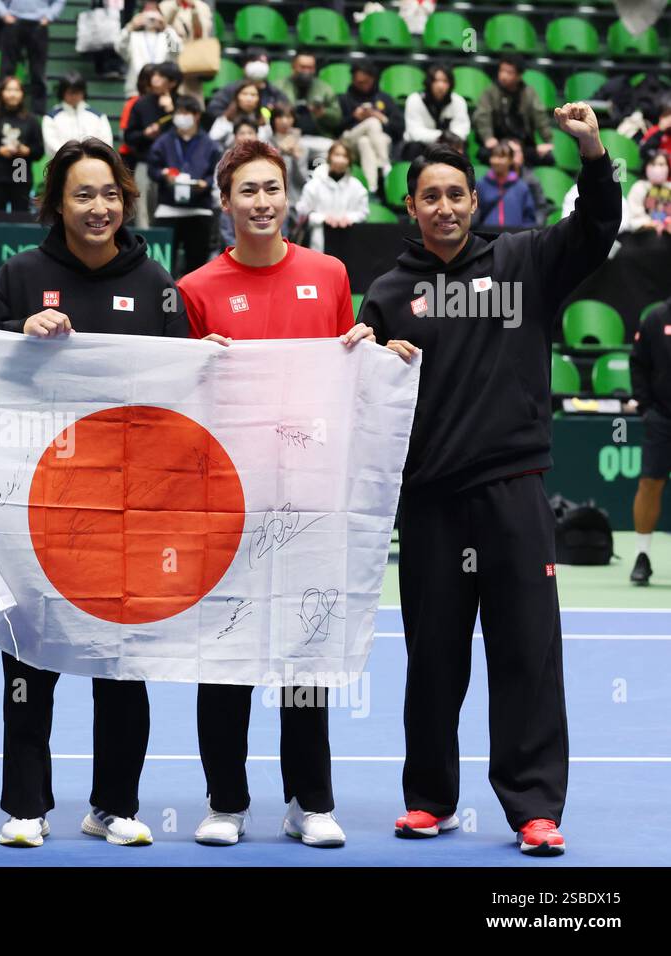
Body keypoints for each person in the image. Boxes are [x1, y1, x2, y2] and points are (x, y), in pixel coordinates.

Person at [360, 104, 621, 856]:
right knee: (433, 659)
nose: (445, 207)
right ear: (409, 206)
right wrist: (357, 350)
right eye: (430, 196)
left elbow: (600, 224)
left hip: (513, 492)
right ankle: (429, 799)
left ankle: (534, 807)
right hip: (432, 503)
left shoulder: (526, 262)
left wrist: (592, 152)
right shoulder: (386, 295)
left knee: (527, 654)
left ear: (476, 202)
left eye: (457, 194)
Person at [0, 137, 186, 848]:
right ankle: (25, 807)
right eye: (82, 195)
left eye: (109, 194)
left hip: (126, 510)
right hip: (37, 507)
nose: (98, 207)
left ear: (126, 200)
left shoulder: (158, 284)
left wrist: (210, 362)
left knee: (121, 666)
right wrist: (16, 330)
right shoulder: (21, 275)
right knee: (30, 663)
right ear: (56, 203)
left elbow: (183, 394)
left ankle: (113, 806)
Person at [178, 137, 370, 849]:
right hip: (229, 501)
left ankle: (309, 800)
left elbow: (345, 370)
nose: (262, 202)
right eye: (247, 191)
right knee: (225, 653)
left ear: (288, 196)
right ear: (224, 202)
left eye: (272, 189)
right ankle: (225, 801)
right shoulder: (196, 290)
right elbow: (181, 403)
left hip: (311, 497)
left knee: (306, 651)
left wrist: (371, 354)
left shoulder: (330, 273)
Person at [147, 94, 218, 273]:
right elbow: (152, 169)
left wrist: (206, 183)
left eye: (187, 112)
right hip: (168, 209)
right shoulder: (163, 141)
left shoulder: (209, 144)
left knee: (197, 266)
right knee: (161, 267)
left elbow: (215, 173)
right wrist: (163, 174)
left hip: (199, 209)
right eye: (179, 112)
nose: (182, 116)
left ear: (196, 116)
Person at [630, 296, 671, 585]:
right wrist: (646, 409)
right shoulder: (657, 317)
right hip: (662, 418)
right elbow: (638, 363)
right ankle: (642, 556)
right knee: (650, 483)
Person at [122, 61, 180, 226]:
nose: (154, 79)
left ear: (172, 82)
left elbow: (186, 134)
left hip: (173, 165)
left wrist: (171, 112)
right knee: (143, 209)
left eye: (161, 76)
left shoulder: (181, 104)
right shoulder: (141, 103)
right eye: (155, 75)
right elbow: (129, 136)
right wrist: (145, 134)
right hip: (144, 162)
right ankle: (144, 244)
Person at [0, 74, 42, 212]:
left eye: (16, 90)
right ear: (1, 93)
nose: (12, 94)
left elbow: (39, 150)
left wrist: (26, 151)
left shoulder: (31, 120)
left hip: (21, 172)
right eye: (9, 90)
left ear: (22, 94)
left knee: (21, 216)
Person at [472, 54, 554, 166]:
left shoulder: (529, 93)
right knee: (484, 154)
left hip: (523, 144)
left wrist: (547, 141)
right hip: (497, 143)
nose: (503, 76)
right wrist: (488, 138)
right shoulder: (490, 92)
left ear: (519, 75)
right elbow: (482, 116)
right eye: (501, 71)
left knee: (548, 158)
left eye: (509, 72)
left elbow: (540, 116)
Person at [338, 58, 401, 196]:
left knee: (365, 142)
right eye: (359, 82)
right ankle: (385, 164)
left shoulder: (385, 99)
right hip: (349, 141)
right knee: (372, 123)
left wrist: (382, 118)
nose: (363, 85)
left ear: (373, 79)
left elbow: (399, 129)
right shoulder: (344, 99)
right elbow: (335, 127)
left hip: (376, 142)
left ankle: (372, 189)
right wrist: (354, 117)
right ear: (353, 79)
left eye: (366, 82)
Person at [295, 138, 368, 252]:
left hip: (347, 237)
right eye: (337, 154)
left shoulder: (357, 187)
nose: (340, 159)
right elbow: (302, 211)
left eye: (344, 156)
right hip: (318, 238)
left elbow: (363, 212)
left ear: (349, 160)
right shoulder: (314, 184)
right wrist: (322, 218)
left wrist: (349, 218)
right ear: (329, 157)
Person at [0, 0, 64, 113]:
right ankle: (1, 110)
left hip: (38, 23)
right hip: (13, 21)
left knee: (38, 72)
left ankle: (38, 113)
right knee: (6, 70)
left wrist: (49, 16)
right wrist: (3, 14)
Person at [272, 51, 341, 170]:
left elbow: (337, 118)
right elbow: (267, 111)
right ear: (293, 67)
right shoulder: (278, 87)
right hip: (285, 136)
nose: (306, 71)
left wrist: (323, 113)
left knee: (331, 150)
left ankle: (318, 184)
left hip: (316, 136)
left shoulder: (324, 89)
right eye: (303, 67)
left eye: (310, 67)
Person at [402, 63, 469, 161]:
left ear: (450, 84)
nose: (440, 86)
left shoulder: (458, 101)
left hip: (449, 147)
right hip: (422, 146)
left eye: (445, 81)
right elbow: (414, 132)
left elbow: (462, 129)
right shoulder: (414, 99)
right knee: (414, 148)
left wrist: (447, 141)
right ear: (429, 82)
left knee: (461, 149)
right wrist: (441, 137)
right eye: (436, 81)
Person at [114, 1, 181, 98]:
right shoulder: (133, 36)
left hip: (161, 91)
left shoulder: (166, 36)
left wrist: (166, 27)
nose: (151, 18)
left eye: (154, 12)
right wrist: (130, 26)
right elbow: (119, 47)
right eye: (147, 13)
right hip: (135, 90)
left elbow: (176, 50)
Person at [42, 72, 113, 156]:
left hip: (92, 163)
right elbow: (51, 144)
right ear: (62, 93)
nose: (74, 96)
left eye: (77, 92)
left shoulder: (98, 116)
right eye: (70, 92)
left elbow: (106, 144)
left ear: (83, 92)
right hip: (61, 163)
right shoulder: (51, 117)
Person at [158, 0, 213, 98]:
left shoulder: (202, 6)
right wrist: (176, 6)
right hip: (169, 57)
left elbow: (201, 34)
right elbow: (161, 28)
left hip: (192, 59)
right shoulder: (165, 5)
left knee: (191, 99)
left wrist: (194, 10)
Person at [474, 142, 535, 229]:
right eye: (494, 156)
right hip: (487, 235)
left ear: (510, 160)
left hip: (514, 237)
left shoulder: (521, 187)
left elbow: (529, 218)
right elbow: (474, 213)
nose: (496, 161)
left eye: (501, 157)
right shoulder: (481, 185)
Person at [623, 152, 671, 235]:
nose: (657, 168)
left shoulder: (669, 187)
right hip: (644, 233)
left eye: (661, 164)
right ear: (647, 166)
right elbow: (634, 215)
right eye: (653, 164)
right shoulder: (639, 186)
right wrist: (651, 224)